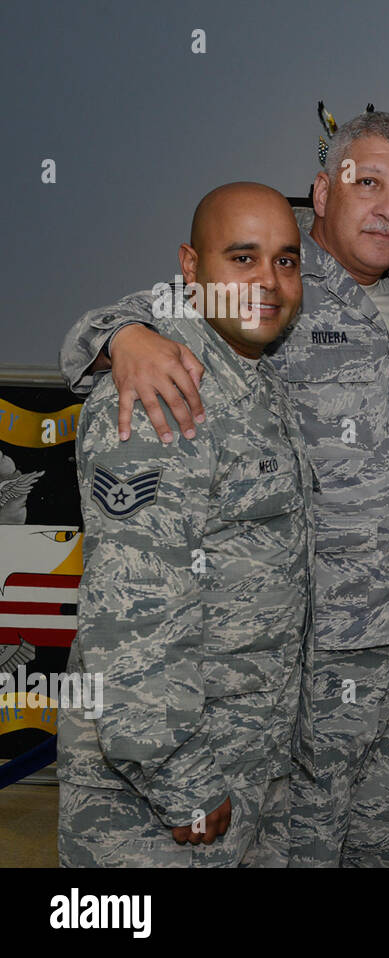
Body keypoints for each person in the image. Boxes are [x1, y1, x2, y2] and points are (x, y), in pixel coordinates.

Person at [59, 111, 389, 867]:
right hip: (244, 695)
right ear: (323, 191)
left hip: (331, 669)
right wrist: (118, 336)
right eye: (367, 183)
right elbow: (133, 618)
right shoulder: (188, 365)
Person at [58, 182, 312, 866]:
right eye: (243, 257)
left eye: (285, 261)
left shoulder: (253, 379)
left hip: (241, 763)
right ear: (191, 268)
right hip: (156, 808)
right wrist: (185, 787)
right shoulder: (158, 394)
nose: (268, 281)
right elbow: (132, 624)